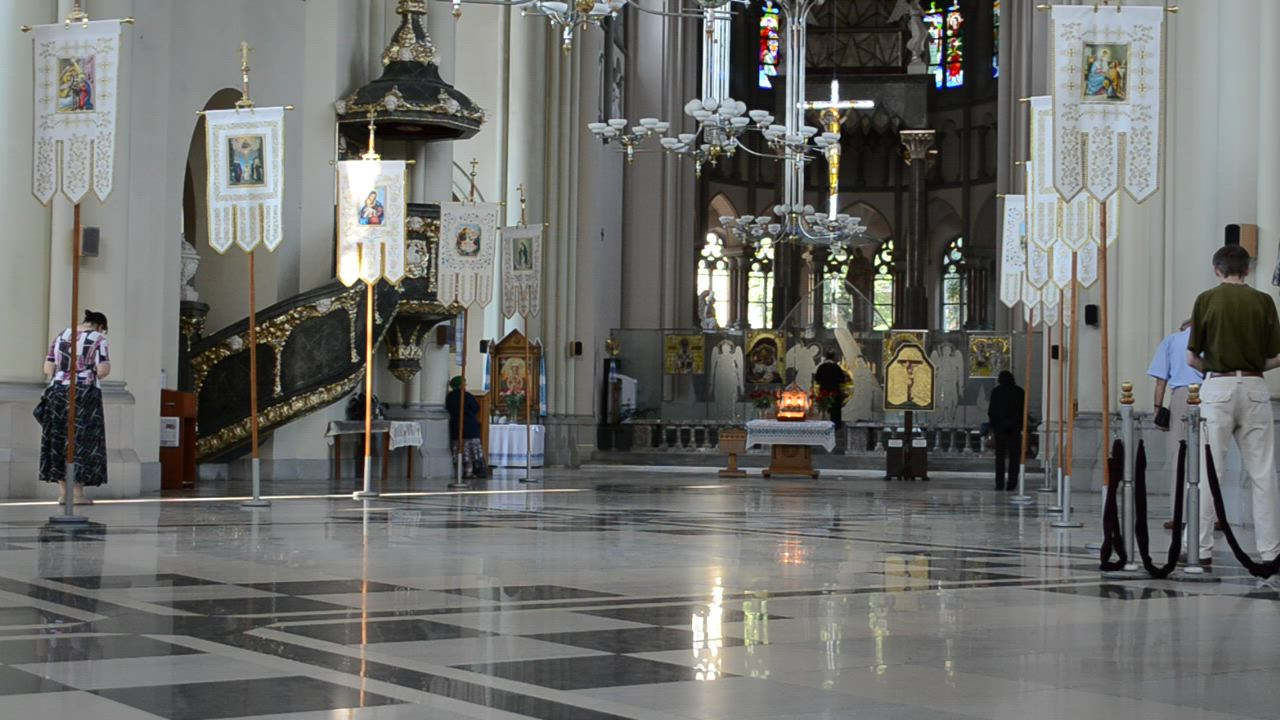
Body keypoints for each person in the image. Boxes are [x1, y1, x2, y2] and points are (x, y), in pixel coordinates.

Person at [1185, 245, 1280, 568]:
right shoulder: (1264, 301)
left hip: (1218, 387)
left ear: (1217, 269)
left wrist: (1214, 368)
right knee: (1264, 473)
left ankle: (1199, 546)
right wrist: (1250, 368)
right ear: (1247, 270)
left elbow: (1191, 357)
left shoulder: (1206, 299)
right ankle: (1271, 550)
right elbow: (1275, 356)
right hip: (1254, 387)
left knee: (1209, 470)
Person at [38, 310, 111, 504]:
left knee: (59, 439)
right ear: (101, 326)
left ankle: (63, 493)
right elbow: (103, 370)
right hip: (84, 393)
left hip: (57, 392)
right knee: (81, 440)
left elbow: (47, 368)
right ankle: (77, 494)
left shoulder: (61, 335)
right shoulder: (98, 338)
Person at [1147, 319, 1204, 528]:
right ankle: (1213, 516)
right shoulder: (1209, 338)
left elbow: (1161, 381)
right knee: (1209, 457)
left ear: (1183, 328)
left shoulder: (1171, 340)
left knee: (1179, 456)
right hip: (1207, 393)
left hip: (1181, 396)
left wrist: (1157, 411)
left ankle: (1178, 514)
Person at [987, 370, 1025, 491]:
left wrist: (994, 425)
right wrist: (1020, 425)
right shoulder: (1019, 391)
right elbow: (1023, 411)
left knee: (1000, 458)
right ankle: (1012, 483)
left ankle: (999, 483)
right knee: (1014, 458)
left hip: (1000, 428)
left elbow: (991, 411)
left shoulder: (997, 392)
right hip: (1014, 428)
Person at [445, 376, 487, 479]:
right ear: (461, 385)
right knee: (473, 453)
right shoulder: (467, 396)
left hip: (456, 427)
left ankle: (465, 472)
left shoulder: (450, 397)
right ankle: (477, 471)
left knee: (461, 452)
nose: (466, 385)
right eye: (464, 383)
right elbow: (476, 408)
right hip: (469, 427)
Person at [813, 350, 850, 429]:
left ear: (826, 357)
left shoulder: (821, 367)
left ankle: (823, 426)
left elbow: (817, 379)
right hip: (835, 392)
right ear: (833, 357)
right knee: (835, 411)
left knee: (824, 409)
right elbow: (842, 380)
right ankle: (835, 427)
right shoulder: (836, 367)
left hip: (824, 391)